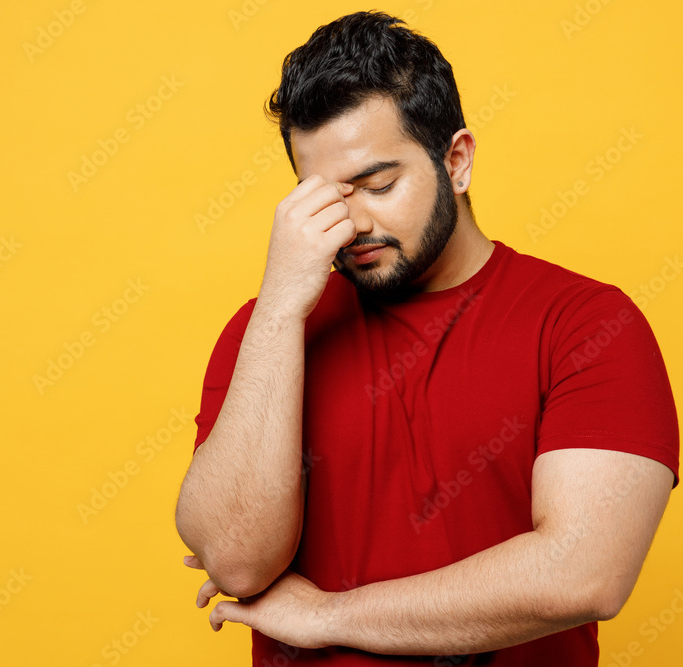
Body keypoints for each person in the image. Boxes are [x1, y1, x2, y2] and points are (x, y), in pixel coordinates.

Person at [173, 10, 679, 666]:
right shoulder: (265, 331)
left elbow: (583, 572)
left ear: (458, 160)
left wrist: (329, 614)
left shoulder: (588, 324)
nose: (352, 221)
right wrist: (278, 309)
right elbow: (237, 561)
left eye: (379, 184)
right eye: (321, 195)